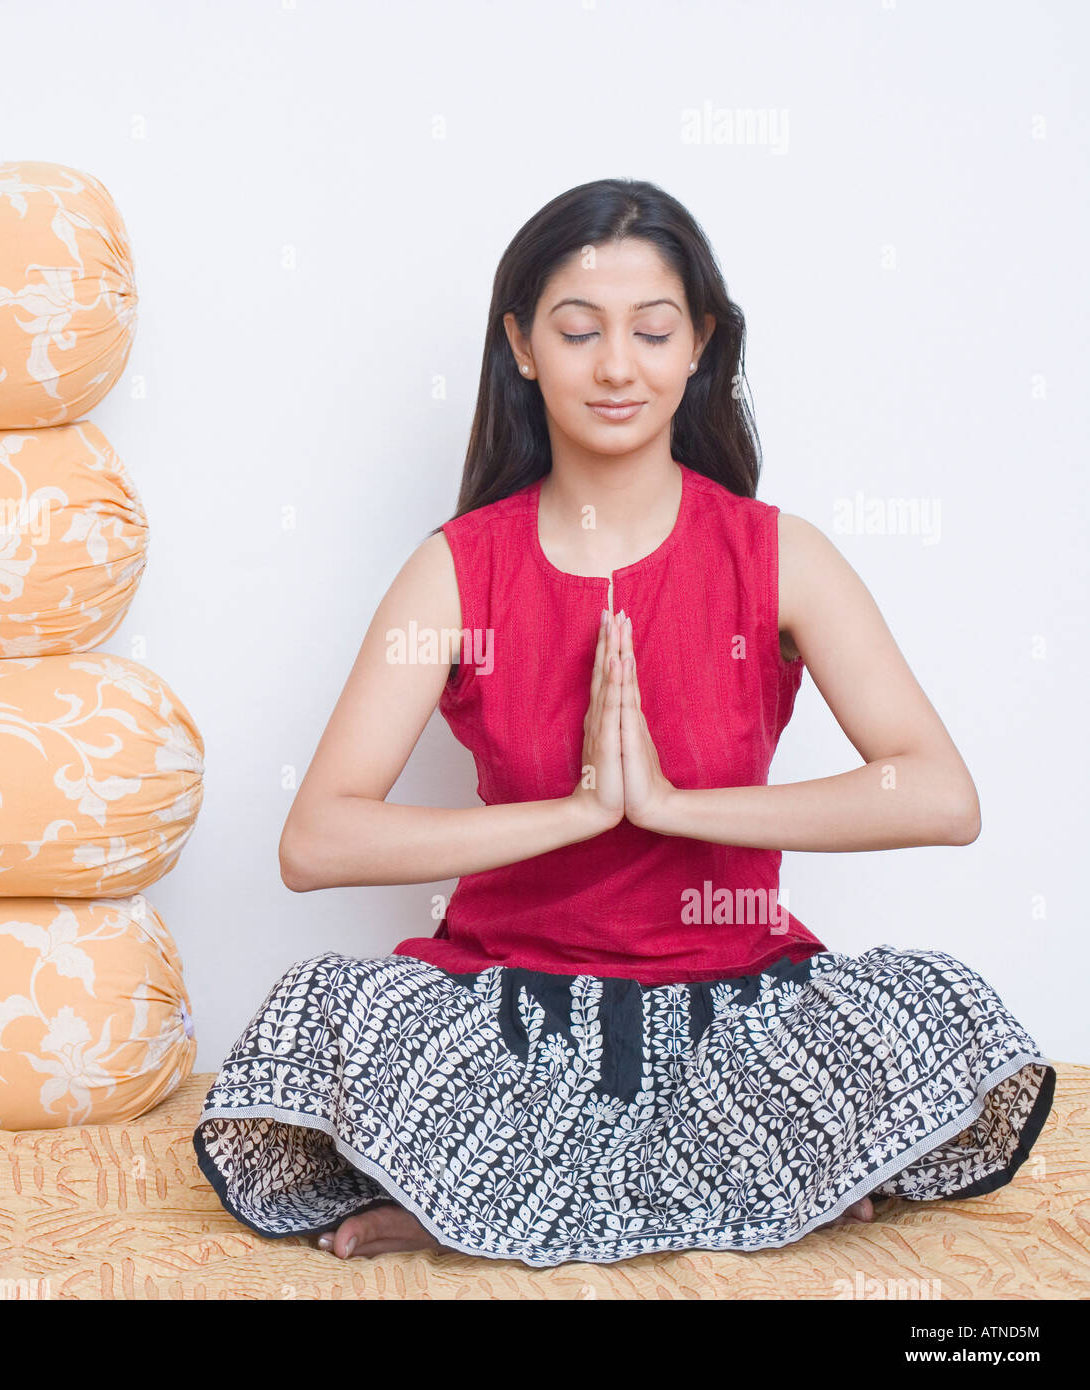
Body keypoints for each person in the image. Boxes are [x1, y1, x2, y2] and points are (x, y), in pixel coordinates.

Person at [193, 179, 1055, 1268]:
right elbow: (317, 841)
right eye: (577, 330)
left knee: (938, 1006)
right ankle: (732, 1192)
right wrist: (577, 813)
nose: (615, 367)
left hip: (734, 1012)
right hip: (506, 1015)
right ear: (519, 345)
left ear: (698, 346)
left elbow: (938, 794)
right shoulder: (455, 571)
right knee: (330, 1008)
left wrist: (672, 807)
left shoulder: (781, 555)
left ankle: (507, 1202)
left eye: (651, 331)